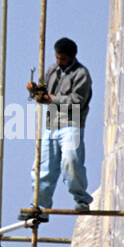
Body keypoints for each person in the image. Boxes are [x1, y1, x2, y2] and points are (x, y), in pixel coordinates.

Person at [22, 37, 93, 217]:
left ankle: (82, 200)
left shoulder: (81, 74)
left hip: (71, 123)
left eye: (62, 58)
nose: (58, 61)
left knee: (71, 162)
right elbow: (43, 89)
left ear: (71, 57)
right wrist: (34, 90)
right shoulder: (53, 70)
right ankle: (40, 206)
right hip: (51, 124)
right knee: (44, 167)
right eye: (57, 57)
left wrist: (52, 99)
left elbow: (77, 101)